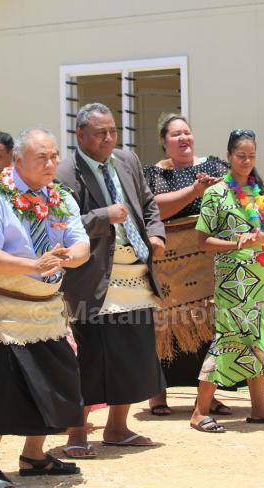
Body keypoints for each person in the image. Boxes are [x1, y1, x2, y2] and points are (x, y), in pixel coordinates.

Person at [0, 128, 90, 488]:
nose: (51, 164)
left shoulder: (61, 197)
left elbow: (81, 243)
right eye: (42, 157)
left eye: (54, 156)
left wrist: (68, 256)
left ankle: (34, 455)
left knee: (54, 380)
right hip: (1, 308)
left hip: (46, 306)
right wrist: (33, 265)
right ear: (17, 160)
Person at [56, 103, 167, 458]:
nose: (109, 138)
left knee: (134, 356)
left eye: (113, 131)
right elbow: (61, 226)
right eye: (100, 133)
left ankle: (118, 428)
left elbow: (148, 204)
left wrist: (156, 233)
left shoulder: (127, 160)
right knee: (91, 359)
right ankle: (77, 433)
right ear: (80, 135)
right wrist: (104, 216)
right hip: (93, 278)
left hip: (135, 272)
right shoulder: (64, 174)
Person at [189, 129, 264, 433]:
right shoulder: (216, 193)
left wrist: (258, 238)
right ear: (229, 156)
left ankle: (260, 409)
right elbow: (202, 241)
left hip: (262, 277)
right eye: (240, 155)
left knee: (256, 337)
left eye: (251, 156)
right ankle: (199, 411)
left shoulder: (261, 192)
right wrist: (236, 244)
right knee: (229, 338)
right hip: (233, 280)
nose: (246, 161)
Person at [142, 113, 228, 417]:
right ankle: (157, 394)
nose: (183, 138)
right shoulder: (153, 174)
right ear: (164, 142)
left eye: (186, 132)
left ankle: (208, 396)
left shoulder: (215, 166)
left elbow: (237, 197)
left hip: (207, 260)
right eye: (175, 134)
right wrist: (194, 191)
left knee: (209, 326)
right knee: (163, 326)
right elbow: (153, 210)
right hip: (168, 264)